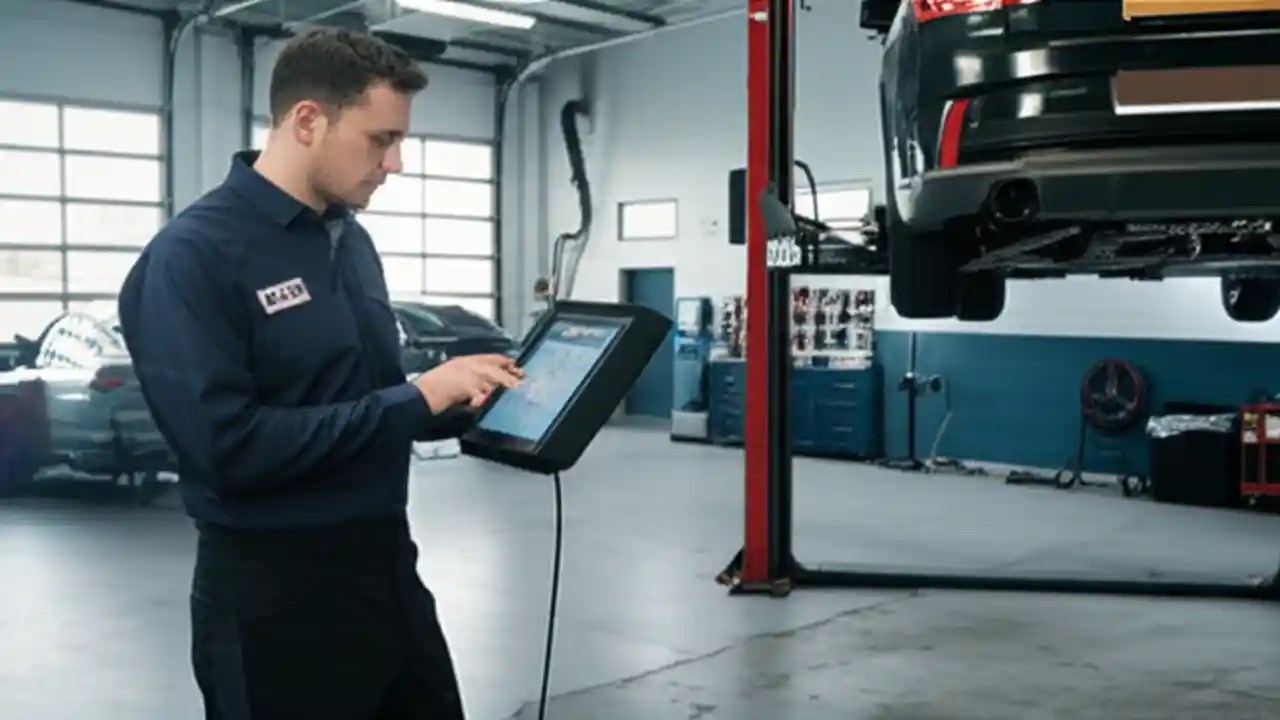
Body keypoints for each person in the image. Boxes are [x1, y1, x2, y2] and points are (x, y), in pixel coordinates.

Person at [116, 28, 522, 720]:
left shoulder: (351, 242)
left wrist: (465, 403)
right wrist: (419, 397)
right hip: (272, 601)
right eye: (380, 139)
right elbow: (228, 450)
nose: (395, 163)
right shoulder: (192, 258)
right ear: (307, 120)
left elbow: (362, 400)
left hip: (386, 571)